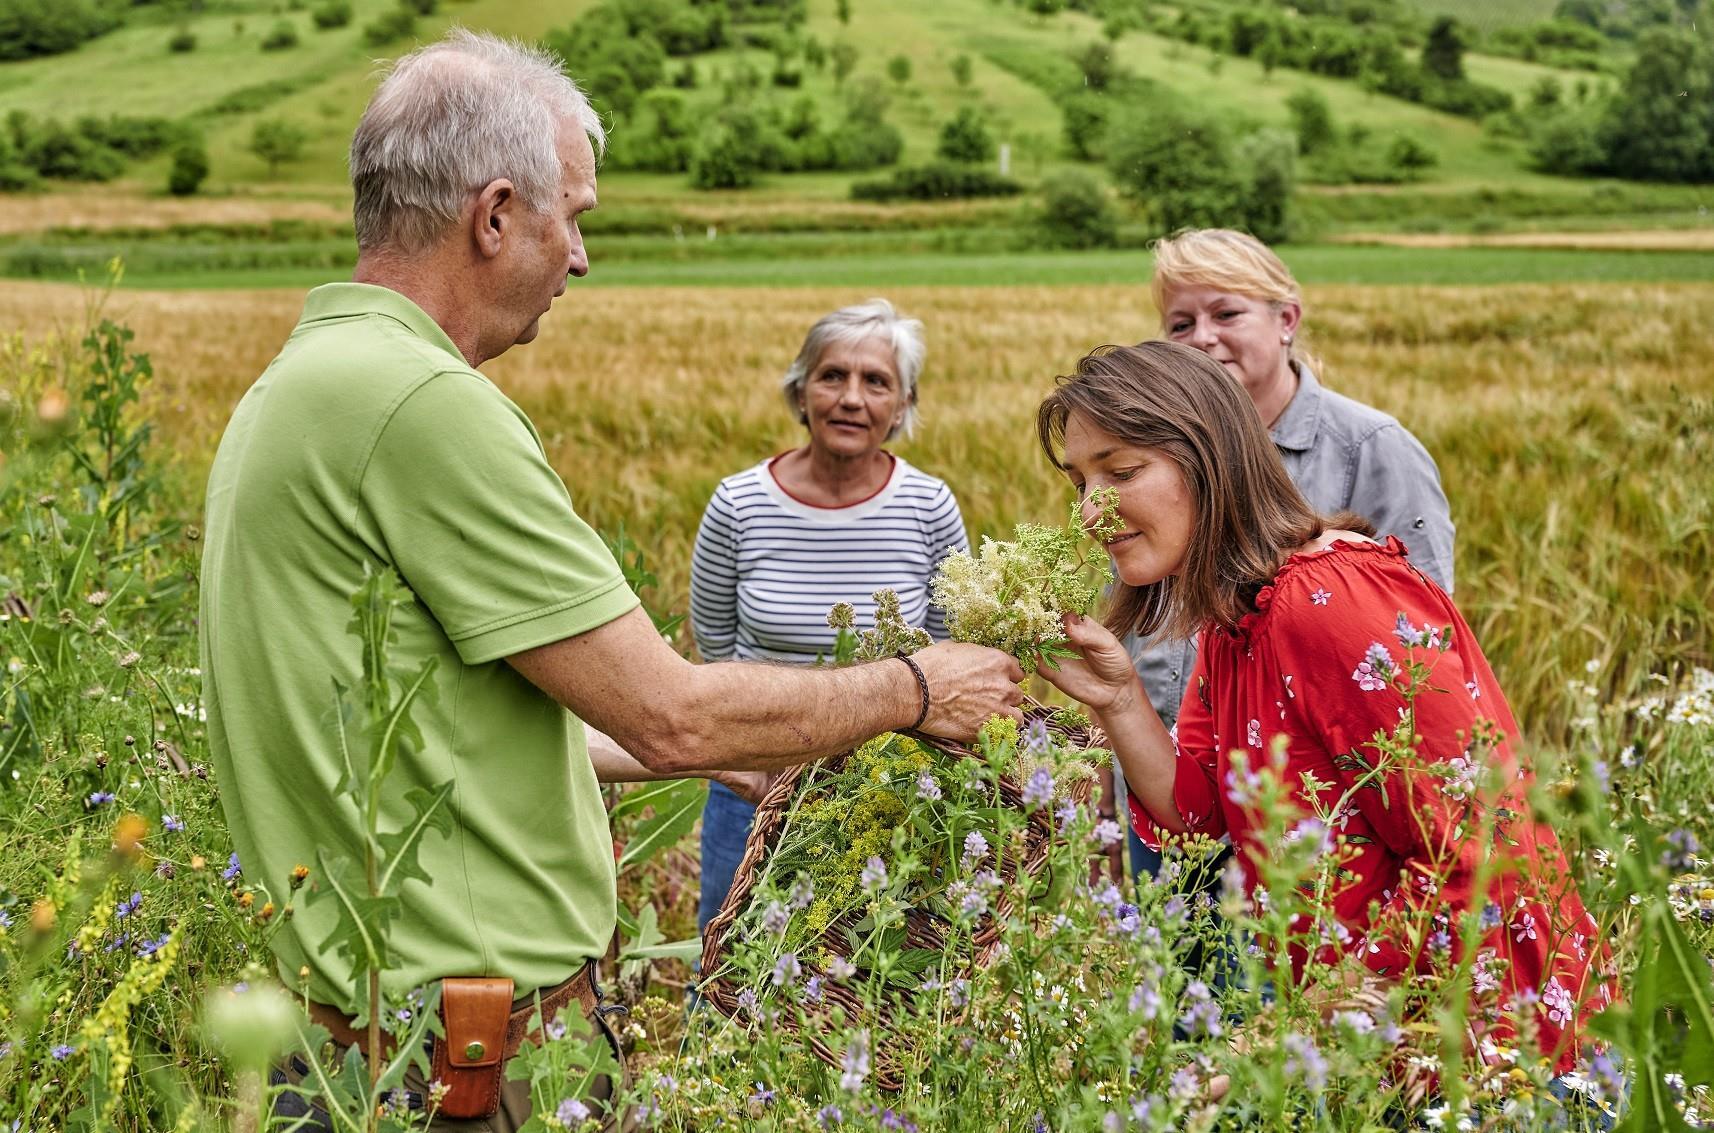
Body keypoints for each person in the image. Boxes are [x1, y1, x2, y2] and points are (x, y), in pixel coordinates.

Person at [198, 31, 1022, 1131]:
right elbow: (674, 712)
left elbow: (438, 731)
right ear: (494, 215)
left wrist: (788, 743)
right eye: (572, 216)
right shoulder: (421, 404)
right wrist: (918, 690)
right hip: (452, 1058)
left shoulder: (298, 383)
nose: (581, 256)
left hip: (348, 1034)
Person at [1036, 342, 1611, 1095]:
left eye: (1120, 471)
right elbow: (1197, 815)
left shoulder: (1331, 601)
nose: (1091, 509)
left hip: (1498, 1059)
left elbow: (1478, 846)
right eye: (1079, 481)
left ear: (1209, 457)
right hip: (1378, 1053)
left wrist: (1298, 1029)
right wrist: (1117, 699)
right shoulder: (1237, 619)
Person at [1118, 228, 1456, 878]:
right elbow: (1135, 631)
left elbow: (1424, 655)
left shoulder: (1371, 448)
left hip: (1313, 822)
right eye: (1180, 323)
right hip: (1168, 800)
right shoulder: (1153, 463)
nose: (1203, 338)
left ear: (1286, 321)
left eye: (1226, 313)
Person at [690, 299, 969, 934]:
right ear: (801, 391)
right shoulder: (739, 504)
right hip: (754, 779)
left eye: (876, 382)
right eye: (832, 376)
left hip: (892, 788)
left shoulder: (928, 506)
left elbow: (951, 649)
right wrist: (748, 754)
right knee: (732, 955)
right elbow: (715, 644)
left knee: (880, 970)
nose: (851, 398)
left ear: (902, 406)